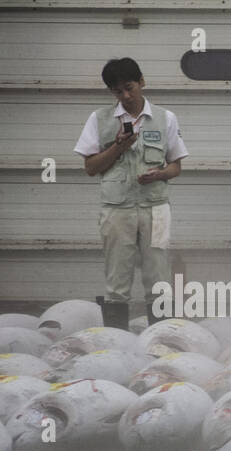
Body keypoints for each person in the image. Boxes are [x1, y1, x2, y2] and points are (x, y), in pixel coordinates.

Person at [74, 57, 187, 330]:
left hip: (156, 208)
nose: (125, 96)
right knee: (117, 278)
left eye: (130, 87)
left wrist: (159, 174)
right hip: (117, 209)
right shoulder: (99, 119)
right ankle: (116, 339)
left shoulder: (165, 117)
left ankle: (160, 337)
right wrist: (117, 148)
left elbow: (176, 166)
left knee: (159, 275)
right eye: (117, 91)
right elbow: (90, 167)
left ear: (142, 82)